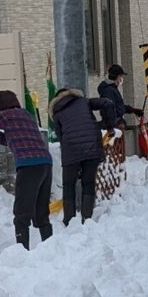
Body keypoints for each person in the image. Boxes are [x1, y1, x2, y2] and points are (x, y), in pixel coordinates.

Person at [0, 89, 53, 249]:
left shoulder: (6, 115)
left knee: (21, 213)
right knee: (41, 213)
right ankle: (51, 248)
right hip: (45, 163)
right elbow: (10, 139)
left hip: (29, 166)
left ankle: (22, 252)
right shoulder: (27, 115)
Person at [49, 88, 114, 225]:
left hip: (71, 150)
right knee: (88, 183)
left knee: (68, 185)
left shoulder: (57, 112)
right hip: (92, 147)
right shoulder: (84, 102)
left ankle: (69, 220)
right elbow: (107, 103)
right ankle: (87, 219)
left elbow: (61, 136)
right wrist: (108, 126)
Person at [97, 65, 143, 129]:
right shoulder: (108, 91)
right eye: (121, 76)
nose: (122, 78)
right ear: (118, 76)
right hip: (114, 125)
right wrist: (117, 123)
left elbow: (119, 106)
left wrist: (132, 110)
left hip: (117, 122)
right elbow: (110, 110)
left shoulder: (113, 88)